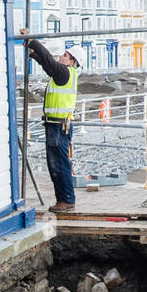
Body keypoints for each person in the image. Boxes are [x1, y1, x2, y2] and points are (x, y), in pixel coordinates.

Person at [20, 31, 85, 212]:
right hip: (56, 125)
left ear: (72, 61)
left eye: (65, 55)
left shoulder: (64, 74)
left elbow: (49, 60)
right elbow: (47, 65)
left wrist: (33, 42)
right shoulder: (63, 74)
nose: (61, 57)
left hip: (58, 126)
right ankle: (64, 199)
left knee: (59, 163)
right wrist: (34, 54)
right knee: (56, 162)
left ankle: (66, 200)